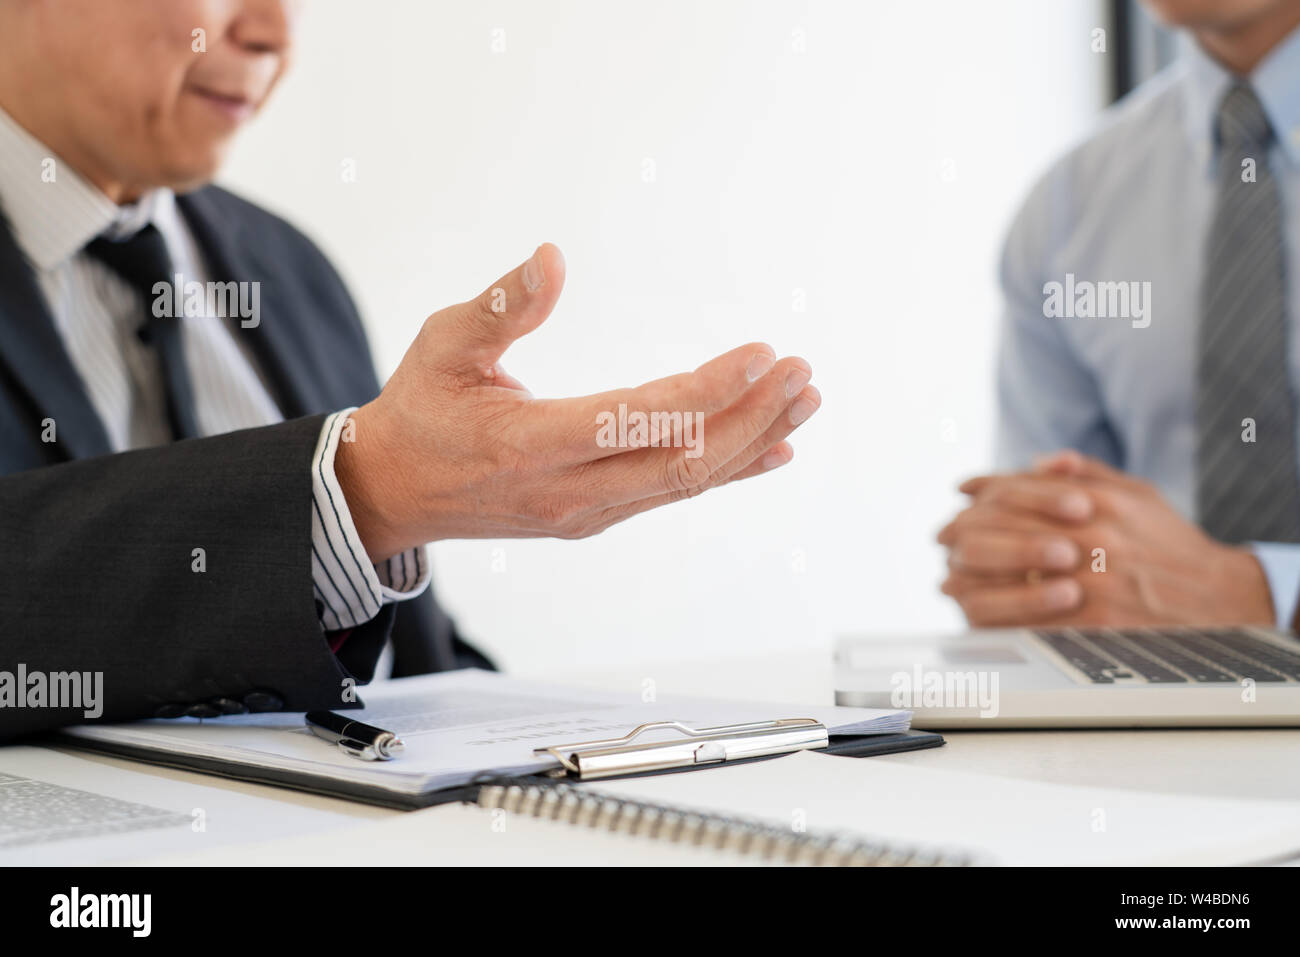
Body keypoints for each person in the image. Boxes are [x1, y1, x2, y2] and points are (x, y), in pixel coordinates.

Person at [0, 0, 821, 739]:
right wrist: (355, 495)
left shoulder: (289, 272)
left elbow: (415, 666)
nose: (273, 34)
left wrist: (574, 753)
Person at [939, 0, 1300, 632]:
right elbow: (1057, 543)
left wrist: (1262, 598)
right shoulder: (1068, 206)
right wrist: (1030, 567)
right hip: (1149, 706)